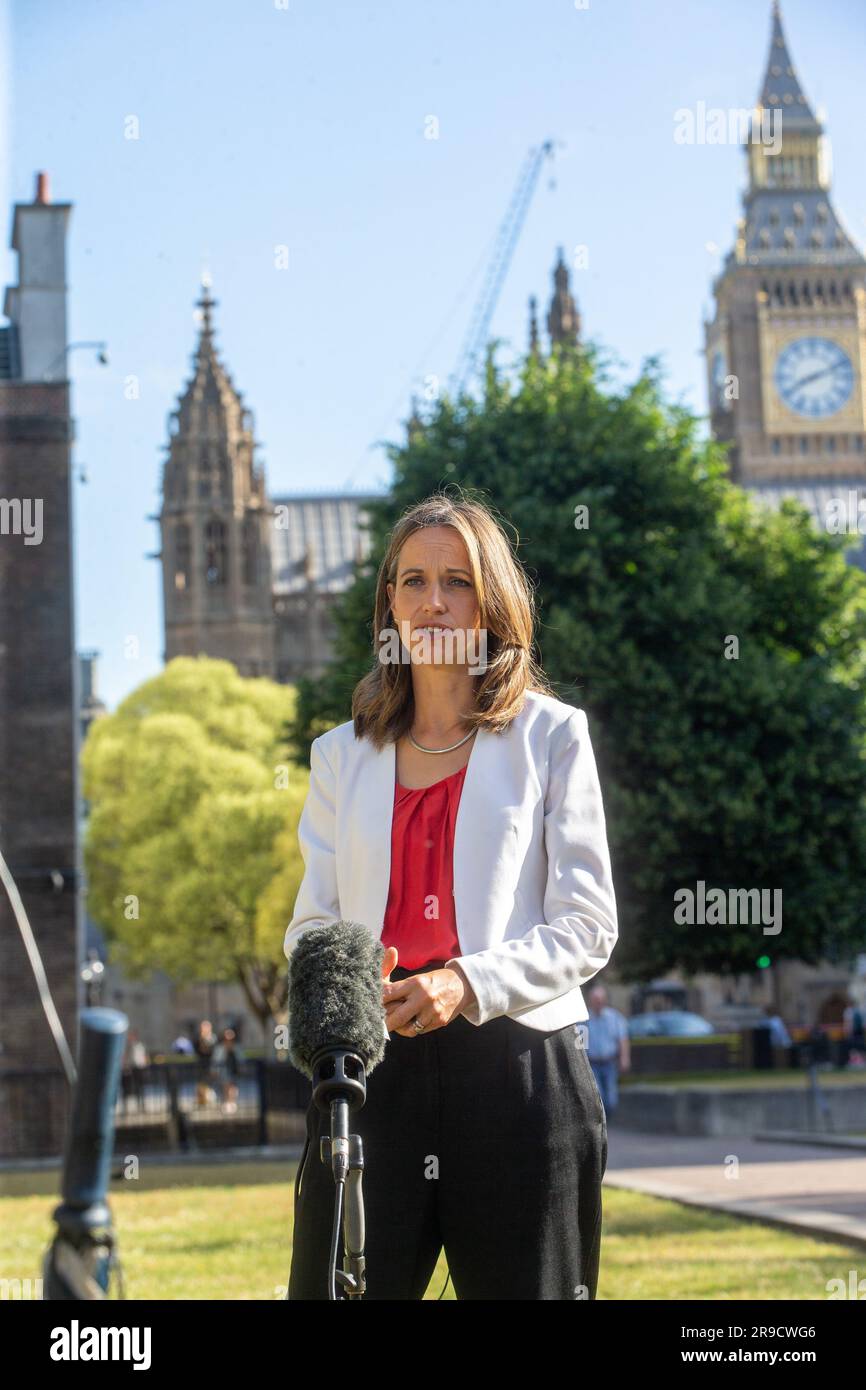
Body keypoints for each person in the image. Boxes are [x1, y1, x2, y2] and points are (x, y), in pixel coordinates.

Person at [285, 492, 618, 1301]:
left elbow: (587, 923)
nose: (433, 601)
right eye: (413, 581)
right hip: (371, 1078)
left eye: (457, 581)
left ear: (492, 601)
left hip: (519, 1071)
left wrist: (467, 982)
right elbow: (312, 928)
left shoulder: (552, 736)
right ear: (389, 605)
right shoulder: (339, 756)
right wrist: (341, 1017)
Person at [585, 986, 630, 1117]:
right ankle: (602, 1125)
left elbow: (622, 1039)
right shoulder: (585, 1019)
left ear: (605, 1000)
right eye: (595, 999)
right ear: (590, 1001)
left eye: (600, 999)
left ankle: (607, 1120)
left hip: (609, 1062)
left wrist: (624, 1058)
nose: (598, 1002)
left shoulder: (614, 1018)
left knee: (611, 1099)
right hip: (592, 1064)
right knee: (598, 1097)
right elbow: (580, 1043)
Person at [212, 1027, 243, 1113]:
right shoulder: (220, 1048)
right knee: (225, 1085)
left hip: (234, 1069)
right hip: (224, 1070)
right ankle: (226, 1102)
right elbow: (216, 1060)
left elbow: (241, 1059)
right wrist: (214, 1070)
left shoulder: (237, 1047)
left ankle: (232, 1102)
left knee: (233, 1086)